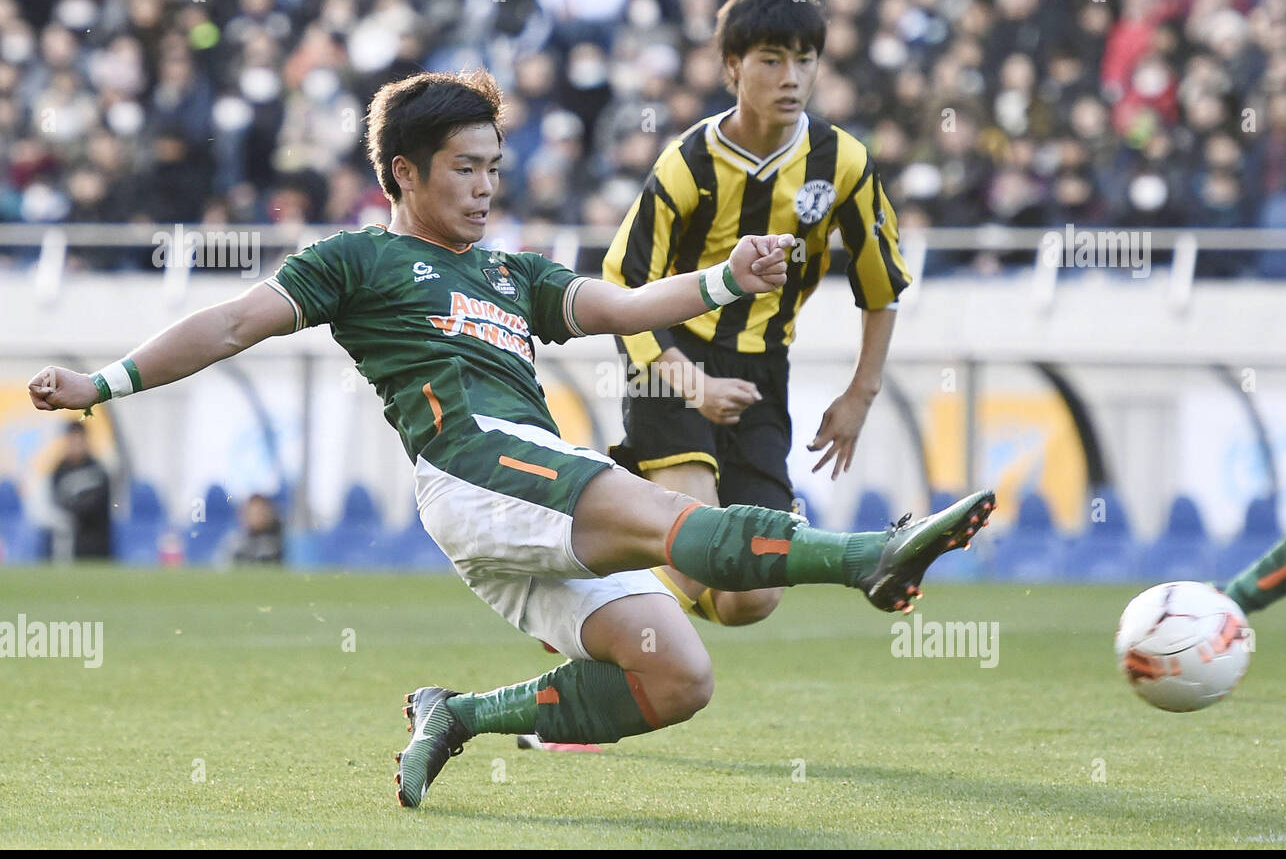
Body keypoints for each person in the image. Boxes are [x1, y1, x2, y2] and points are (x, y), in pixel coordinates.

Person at [27, 69, 994, 809]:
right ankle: (872, 556)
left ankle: (456, 712)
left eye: (495, 166)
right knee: (662, 515)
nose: (487, 185)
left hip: (521, 490)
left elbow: (618, 304)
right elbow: (235, 321)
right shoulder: (358, 259)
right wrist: (100, 385)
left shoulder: (509, 272)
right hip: (472, 467)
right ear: (403, 172)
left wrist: (724, 279)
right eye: (466, 167)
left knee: (678, 676)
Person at [603, 0, 910, 626]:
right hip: (672, 357)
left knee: (749, 597)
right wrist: (689, 383)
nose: (792, 77)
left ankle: (625, 555)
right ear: (733, 67)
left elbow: (880, 284)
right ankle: (595, 612)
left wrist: (861, 392)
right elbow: (623, 280)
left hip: (763, 371)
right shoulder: (688, 162)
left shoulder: (845, 164)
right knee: (702, 540)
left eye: (805, 59)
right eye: (772, 60)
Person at [47, 420, 112, 560]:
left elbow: (98, 504)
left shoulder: (97, 470)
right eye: (72, 440)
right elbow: (55, 501)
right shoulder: (59, 470)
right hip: (68, 541)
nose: (75, 445)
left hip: (96, 542)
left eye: (79, 440)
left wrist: (76, 507)